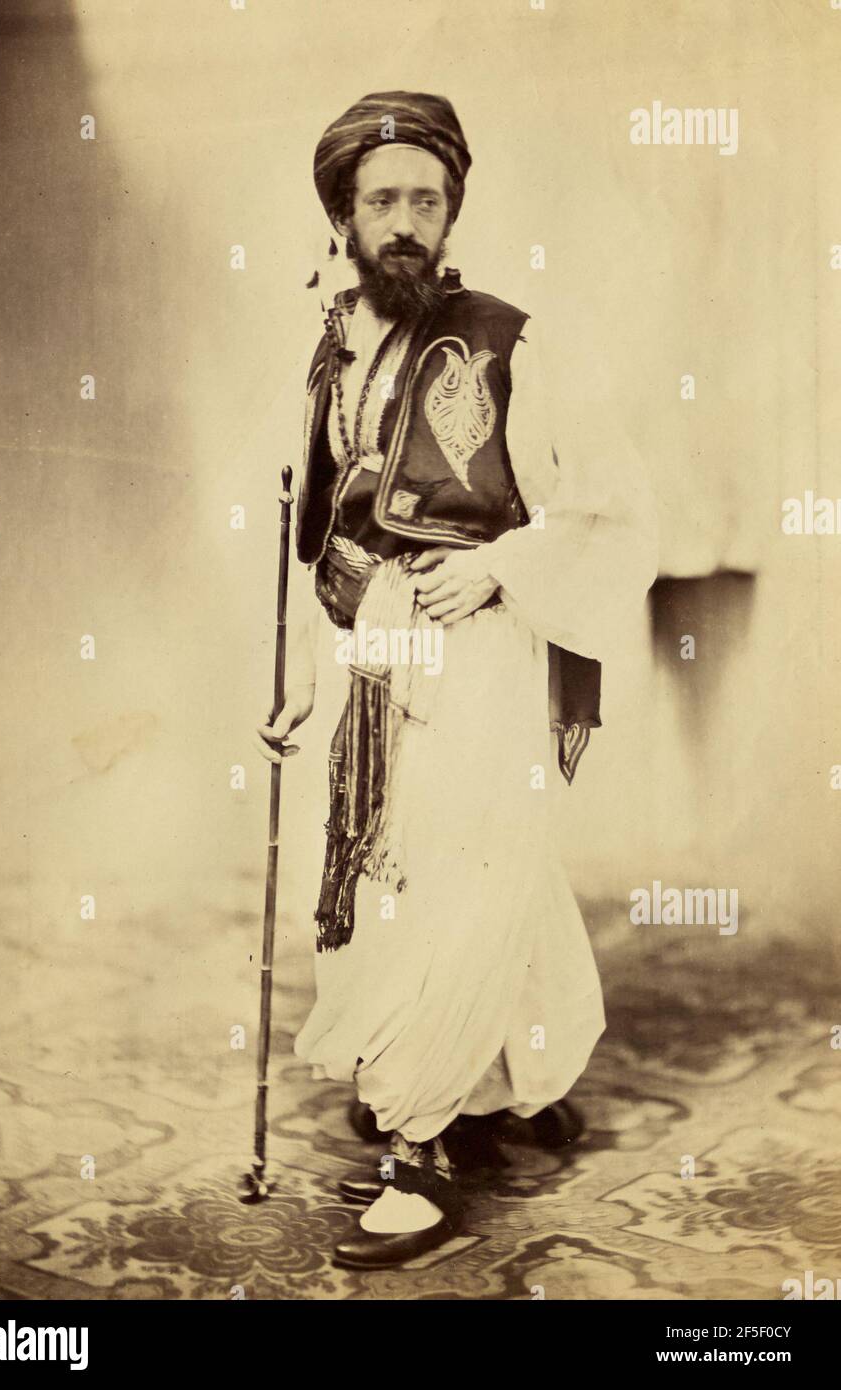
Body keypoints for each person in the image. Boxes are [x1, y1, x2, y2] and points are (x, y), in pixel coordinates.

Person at [254, 91, 658, 1270]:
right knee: (411, 874)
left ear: (451, 210)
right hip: (360, 655)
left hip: (477, 648)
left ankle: (420, 1148)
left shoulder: (508, 341)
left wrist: (494, 570)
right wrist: (291, 674)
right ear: (341, 212)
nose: (405, 222)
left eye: (426, 200)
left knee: (452, 878)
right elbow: (309, 524)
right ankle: (507, 1079)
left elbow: (615, 509)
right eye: (381, 200)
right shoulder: (329, 350)